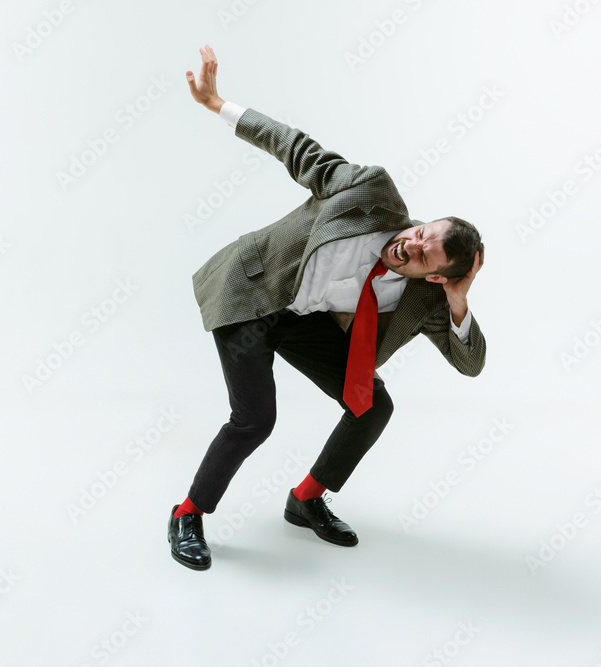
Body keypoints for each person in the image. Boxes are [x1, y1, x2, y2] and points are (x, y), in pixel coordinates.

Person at [168, 45, 487, 571]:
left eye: (425, 255)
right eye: (422, 233)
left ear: (434, 275)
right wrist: (218, 103)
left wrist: (458, 300)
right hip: (253, 293)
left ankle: (305, 498)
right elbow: (294, 145)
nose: (411, 244)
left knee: (373, 404)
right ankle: (188, 513)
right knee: (254, 420)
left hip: (301, 319)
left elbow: (471, 364)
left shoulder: (430, 297)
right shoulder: (368, 190)